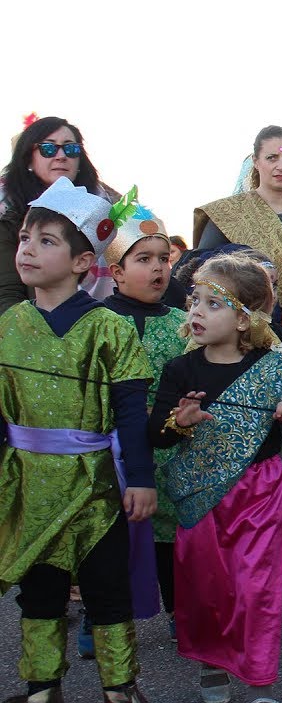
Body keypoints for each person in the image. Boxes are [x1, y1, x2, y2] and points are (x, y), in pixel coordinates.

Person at [0, 177, 155, 703]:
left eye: (47, 241)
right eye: (25, 237)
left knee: (106, 590)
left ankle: (119, 687)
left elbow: (132, 411)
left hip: (94, 488)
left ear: (83, 262)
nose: (28, 249)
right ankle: (42, 686)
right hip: (29, 483)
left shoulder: (109, 327)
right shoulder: (8, 326)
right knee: (39, 593)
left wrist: (139, 478)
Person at [148, 253, 282, 703]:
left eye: (213, 304)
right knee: (207, 588)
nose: (197, 312)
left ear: (245, 319)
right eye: (194, 301)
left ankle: (259, 679)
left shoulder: (275, 367)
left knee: (257, 588)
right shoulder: (180, 370)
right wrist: (179, 421)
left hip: (260, 495)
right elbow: (156, 438)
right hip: (199, 496)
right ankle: (213, 667)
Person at [101, 191, 187, 646]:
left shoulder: (181, 321)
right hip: (115, 447)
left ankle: (178, 611)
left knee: (168, 538)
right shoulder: (97, 320)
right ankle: (106, 621)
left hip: (171, 442)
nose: (157, 268)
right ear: (116, 271)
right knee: (113, 538)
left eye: (163, 258)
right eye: (143, 259)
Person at [193, 125, 282, 315]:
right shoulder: (229, 214)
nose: (281, 166)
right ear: (256, 161)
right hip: (241, 323)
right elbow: (204, 272)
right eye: (272, 158)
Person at [0, 116, 111, 313]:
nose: (61, 156)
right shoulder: (7, 214)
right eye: (48, 149)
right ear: (28, 158)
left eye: (71, 149)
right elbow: (7, 293)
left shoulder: (104, 210)